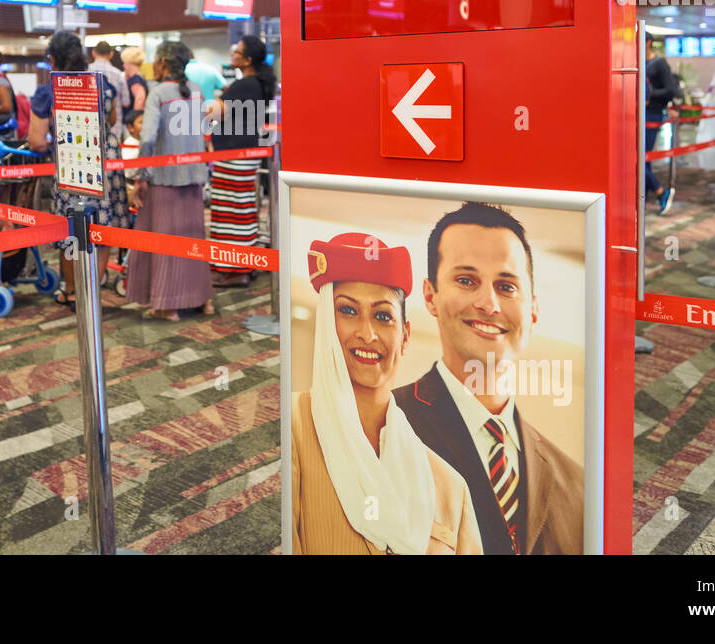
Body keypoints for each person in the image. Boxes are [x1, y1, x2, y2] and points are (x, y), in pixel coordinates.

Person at [395, 202, 585, 555]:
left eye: (507, 286)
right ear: (430, 296)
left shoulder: (576, 483)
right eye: (466, 280)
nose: (489, 303)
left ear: (533, 308)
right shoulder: (380, 424)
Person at [291, 232, 481, 555]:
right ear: (325, 320)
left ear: (405, 336)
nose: (367, 333)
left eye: (383, 316)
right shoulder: (290, 429)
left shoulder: (451, 490)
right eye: (348, 311)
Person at [27, 31, 131, 304]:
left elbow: (36, 141)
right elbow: (111, 120)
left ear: (52, 59)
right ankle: (93, 292)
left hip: (73, 166)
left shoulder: (48, 90)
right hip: (106, 162)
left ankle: (73, 292)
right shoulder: (103, 85)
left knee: (72, 229)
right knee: (103, 224)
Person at [126, 41, 215, 321]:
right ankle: (204, 301)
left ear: (163, 63)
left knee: (164, 244)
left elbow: (148, 137)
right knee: (193, 242)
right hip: (194, 179)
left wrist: (141, 176)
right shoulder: (197, 92)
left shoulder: (159, 93)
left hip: (164, 180)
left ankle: (167, 305)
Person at [207, 35, 276, 286]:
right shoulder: (257, 83)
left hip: (233, 156)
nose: (233, 54)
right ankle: (244, 264)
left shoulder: (245, 85)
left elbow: (214, 111)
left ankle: (233, 270)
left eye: (238, 52)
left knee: (230, 211)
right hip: (245, 155)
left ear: (247, 60)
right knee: (243, 208)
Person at [645, 35, 677, 215]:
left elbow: (670, 90)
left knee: (638, 157)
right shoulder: (636, 61)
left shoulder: (659, 63)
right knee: (642, 158)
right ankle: (646, 194)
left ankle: (660, 191)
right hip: (635, 114)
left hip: (652, 114)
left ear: (647, 42)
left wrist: (649, 95)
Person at [89, 40, 130, 134]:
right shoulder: (119, 75)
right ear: (111, 54)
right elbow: (126, 102)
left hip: (90, 129)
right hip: (114, 129)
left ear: (93, 53)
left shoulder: (85, 72)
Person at [120, 45, 149, 124]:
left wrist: (134, 120)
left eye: (125, 63)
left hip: (132, 122)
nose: (124, 66)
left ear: (130, 63)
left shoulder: (135, 79)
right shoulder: (139, 77)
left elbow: (140, 98)